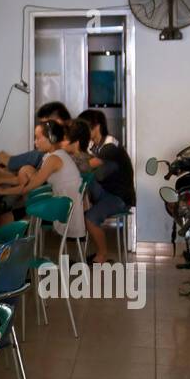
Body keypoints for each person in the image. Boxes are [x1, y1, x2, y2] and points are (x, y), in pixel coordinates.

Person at [0, 120, 86, 241]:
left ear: (52, 139)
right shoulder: (56, 156)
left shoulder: (54, 159)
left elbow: (29, 187)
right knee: (27, 171)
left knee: (2, 220)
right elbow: (28, 179)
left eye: (38, 138)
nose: (35, 142)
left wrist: (1, 190)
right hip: (64, 206)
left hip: (63, 211)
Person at [76, 108, 136, 263]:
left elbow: (88, 164)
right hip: (104, 192)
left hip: (119, 198)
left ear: (96, 127)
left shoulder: (110, 146)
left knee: (89, 218)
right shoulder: (93, 146)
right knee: (80, 180)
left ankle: (102, 255)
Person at [0, 101, 71, 173]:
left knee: (39, 154)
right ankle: (12, 167)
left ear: (58, 121)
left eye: (45, 124)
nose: (43, 128)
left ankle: (11, 163)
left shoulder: (70, 137)